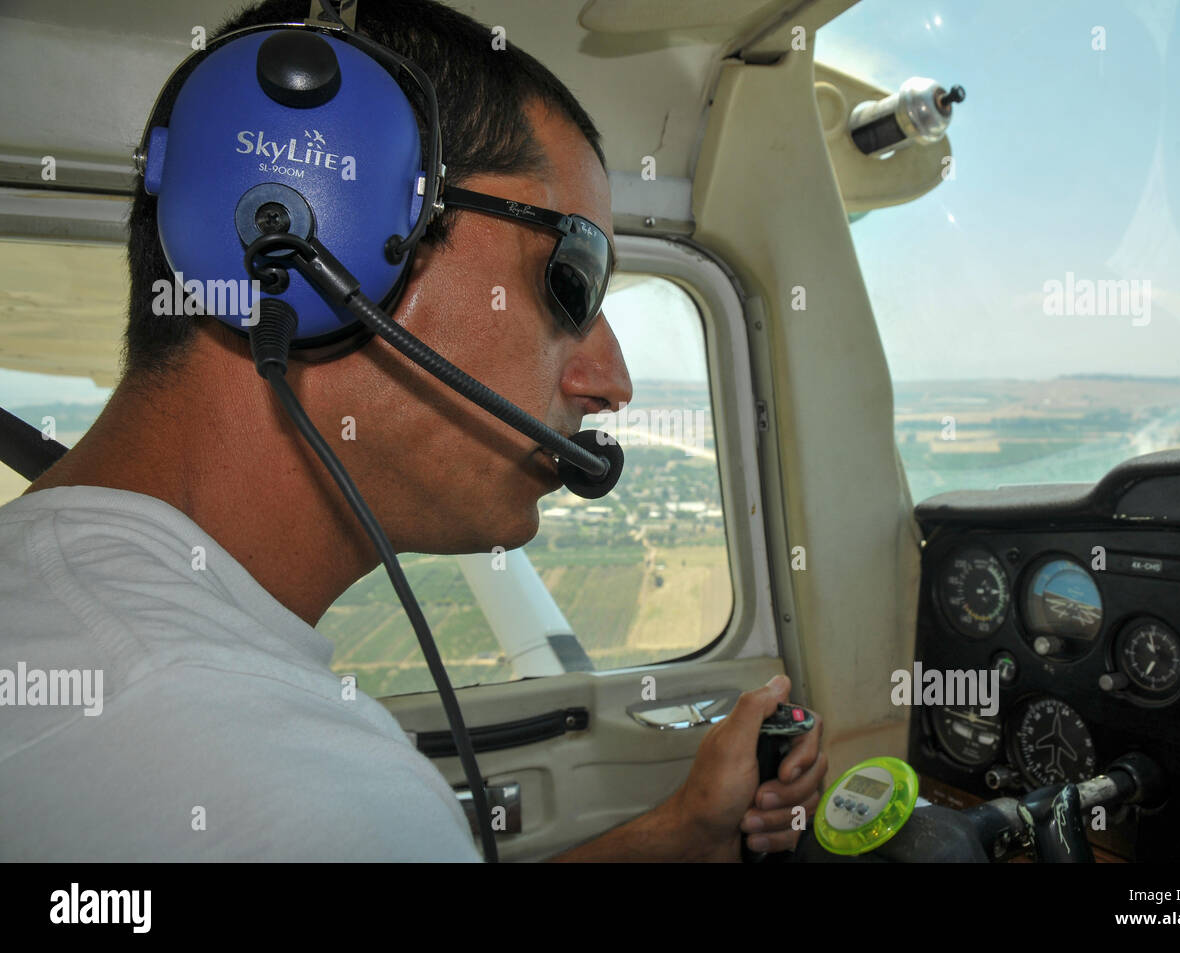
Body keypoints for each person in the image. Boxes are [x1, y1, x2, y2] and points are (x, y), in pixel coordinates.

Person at [0, 0, 826, 861]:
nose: (610, 383)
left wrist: (681, 830)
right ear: (327, 230)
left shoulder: (89, 639)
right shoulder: (281, 788)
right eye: (571, 278)